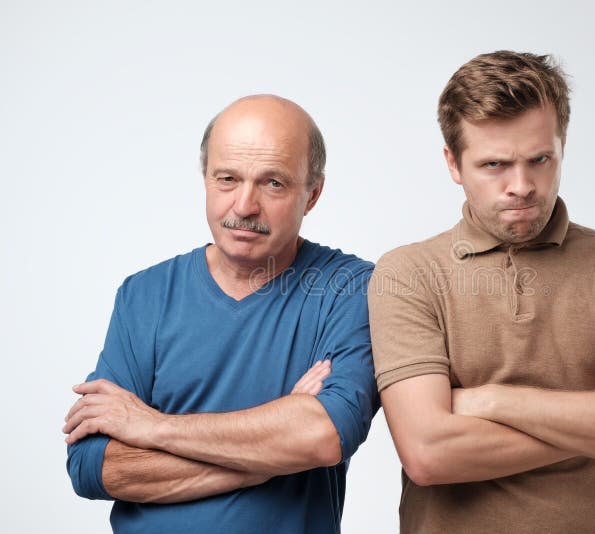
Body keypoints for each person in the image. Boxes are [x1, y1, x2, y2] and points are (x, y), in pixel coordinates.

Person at [368, 51, 595, 533]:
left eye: (540, 159)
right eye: (495, 164)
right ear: (453, 163)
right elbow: (429, 454)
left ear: (562, 148)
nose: (522, 186)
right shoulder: (409, 272)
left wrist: (491, 401)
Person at [64, 94, 379, 533]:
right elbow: (93, 468)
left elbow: (324, 435)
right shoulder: (144, 294)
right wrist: (268, 456)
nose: (244, 206)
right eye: (227, 178)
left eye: (274, 183)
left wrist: (150, 426)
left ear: (313, 193)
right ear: (206, 179)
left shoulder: (350, 288)